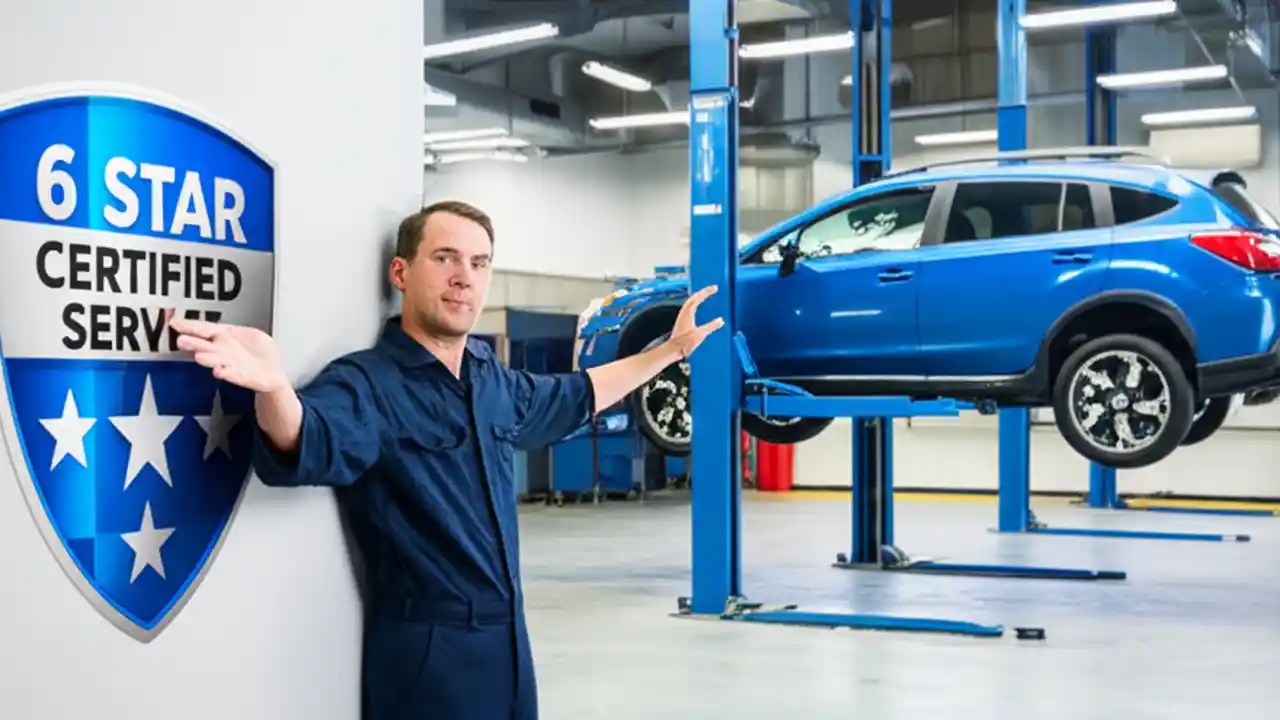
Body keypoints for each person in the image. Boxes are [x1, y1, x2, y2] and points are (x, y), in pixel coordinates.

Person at [167, 200, 723, 720]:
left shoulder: (490, 379)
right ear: (401, 272)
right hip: (429, 656)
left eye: (479, 263)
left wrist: (669, 352)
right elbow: (307, 439)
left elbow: (578, 394)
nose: (464, 277)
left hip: (509, 645)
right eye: (445, 258)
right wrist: (274, 390)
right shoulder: (370, 383)